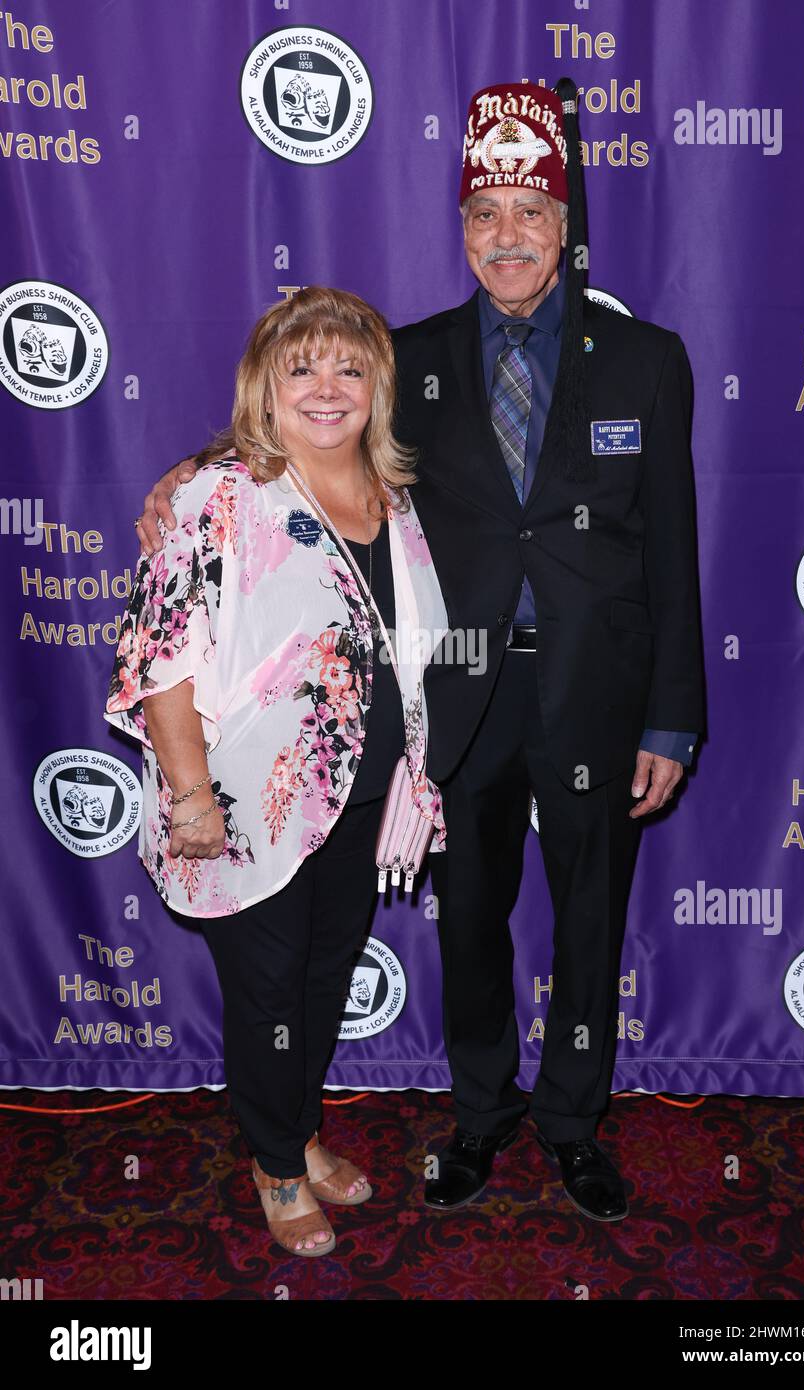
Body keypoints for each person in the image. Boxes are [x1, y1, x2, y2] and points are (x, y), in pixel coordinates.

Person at [136, 79, 706, 1224]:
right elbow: (302, 439)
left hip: (598, 691)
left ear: (564, 226)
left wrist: (670, 717)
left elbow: (676, 549)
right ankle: (485, 1116)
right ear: (461, 231)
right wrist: (179, 479)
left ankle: (574, 1124)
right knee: (470, 915)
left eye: (529, 212)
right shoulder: (411, 358)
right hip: (461, 703)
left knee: (592, 921)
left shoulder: (647, 361)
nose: (507, 236)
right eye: (484, 214)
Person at [106, 287, 448, 1255]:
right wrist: (190, 796)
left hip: (364, 797)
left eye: (349, 366)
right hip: (248, 804)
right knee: (267, 994)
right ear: (264, 384)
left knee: (319, 979)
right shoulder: (223, 496)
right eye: (302, 367)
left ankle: (296, 1128)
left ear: (379, 384)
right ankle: (276, 1164)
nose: (327, 387)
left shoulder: (397, 497)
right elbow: (161, 658)